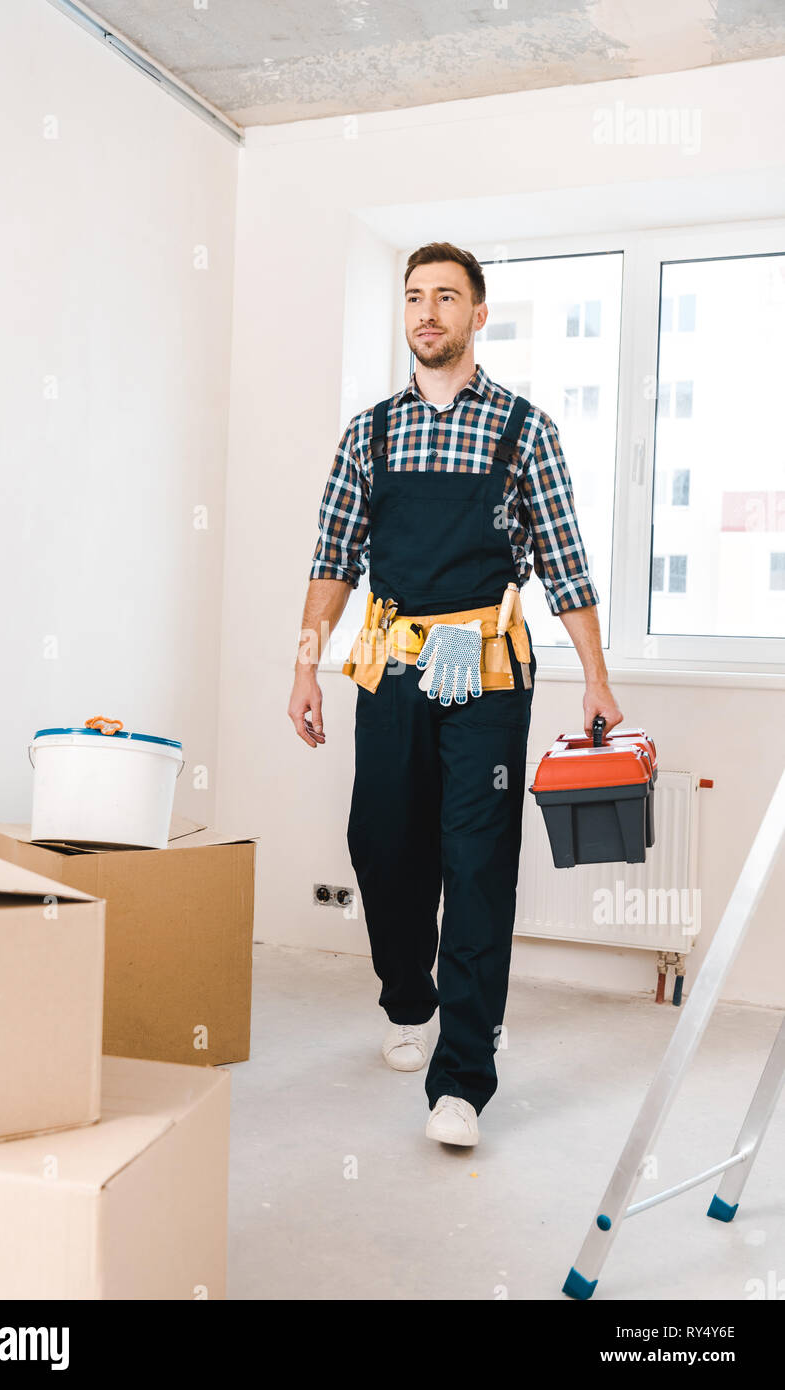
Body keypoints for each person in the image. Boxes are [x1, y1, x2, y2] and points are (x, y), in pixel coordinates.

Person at [288, 242, 622, 1147]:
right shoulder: (370, 433)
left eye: (446, 297)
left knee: (476, 865)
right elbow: (331, 562)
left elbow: (564, 562)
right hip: (391, 671)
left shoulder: (525, 429)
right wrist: (304, 667)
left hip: (487, 677)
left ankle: (463, 1077)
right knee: (381, 844)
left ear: (479, 315)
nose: (427, 312)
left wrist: (594, 674)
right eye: (413, 298)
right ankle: (408, 998)